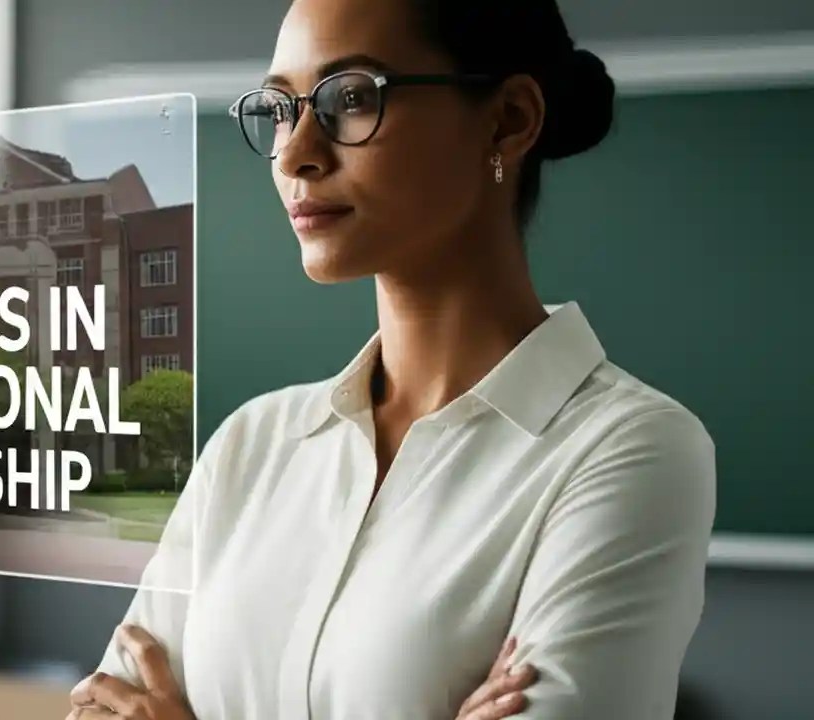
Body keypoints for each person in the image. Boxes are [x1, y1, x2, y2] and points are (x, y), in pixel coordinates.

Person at [68, 0, 716, 717]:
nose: (294, 153)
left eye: (351, 99)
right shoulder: (251, 446)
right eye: (280, 109)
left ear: (508, 121)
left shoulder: (629, 451)